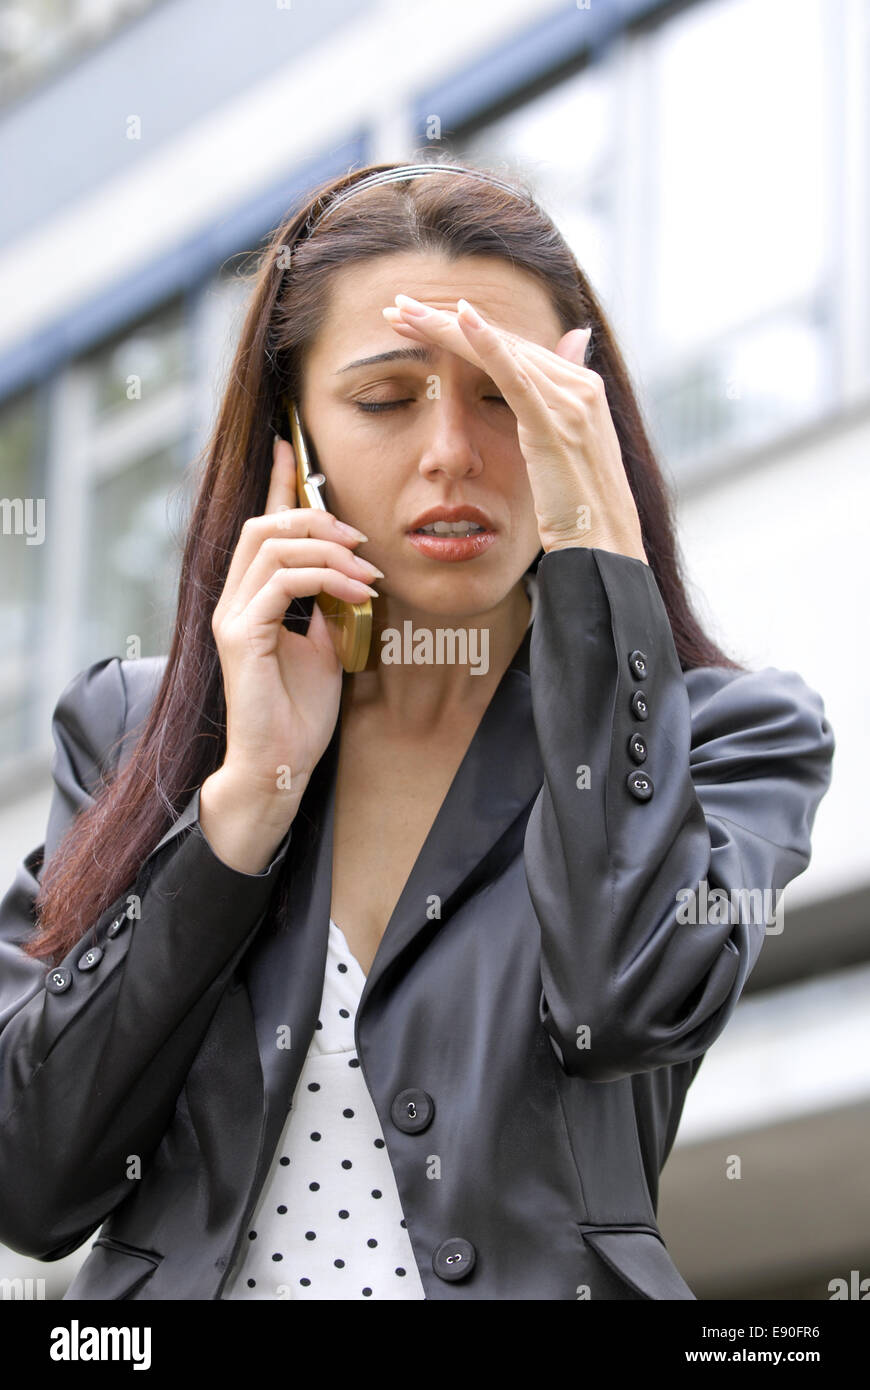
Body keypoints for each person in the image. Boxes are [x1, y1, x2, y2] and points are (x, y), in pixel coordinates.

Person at [0, 158, 835, 1301]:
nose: (452, 451)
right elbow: (30, 1179)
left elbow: (625, 1004)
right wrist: (246, 800)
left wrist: (600, 559)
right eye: (387, 399)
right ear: (294, 439)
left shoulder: (730, 735)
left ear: (583, 424)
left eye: (508, 394)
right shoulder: (143, 726)